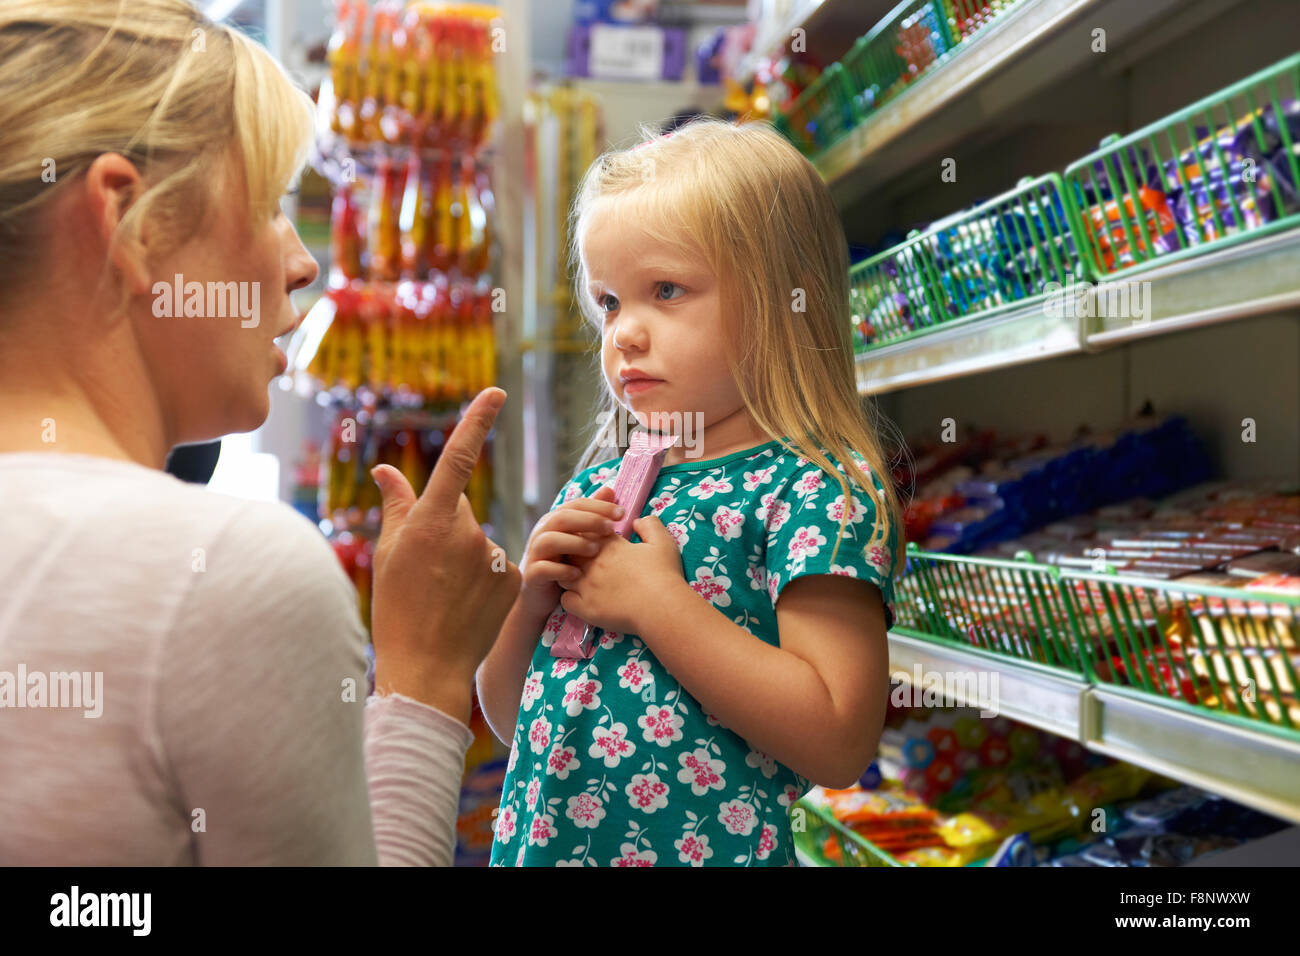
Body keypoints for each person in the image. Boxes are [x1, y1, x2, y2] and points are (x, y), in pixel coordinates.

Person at [0, 0, 519, 865]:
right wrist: (426, 679)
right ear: (134, 220)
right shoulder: (224, 578)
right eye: (271, 204)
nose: (303, 262)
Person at [477, 118, 905, 867]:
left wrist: (658, 607)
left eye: (665, 291)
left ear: (781, 301)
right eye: (609, 302)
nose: (624, 335)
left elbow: (838, 738)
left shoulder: (814, 490)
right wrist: (529, 600)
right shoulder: (608, 482)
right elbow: (517, 720)